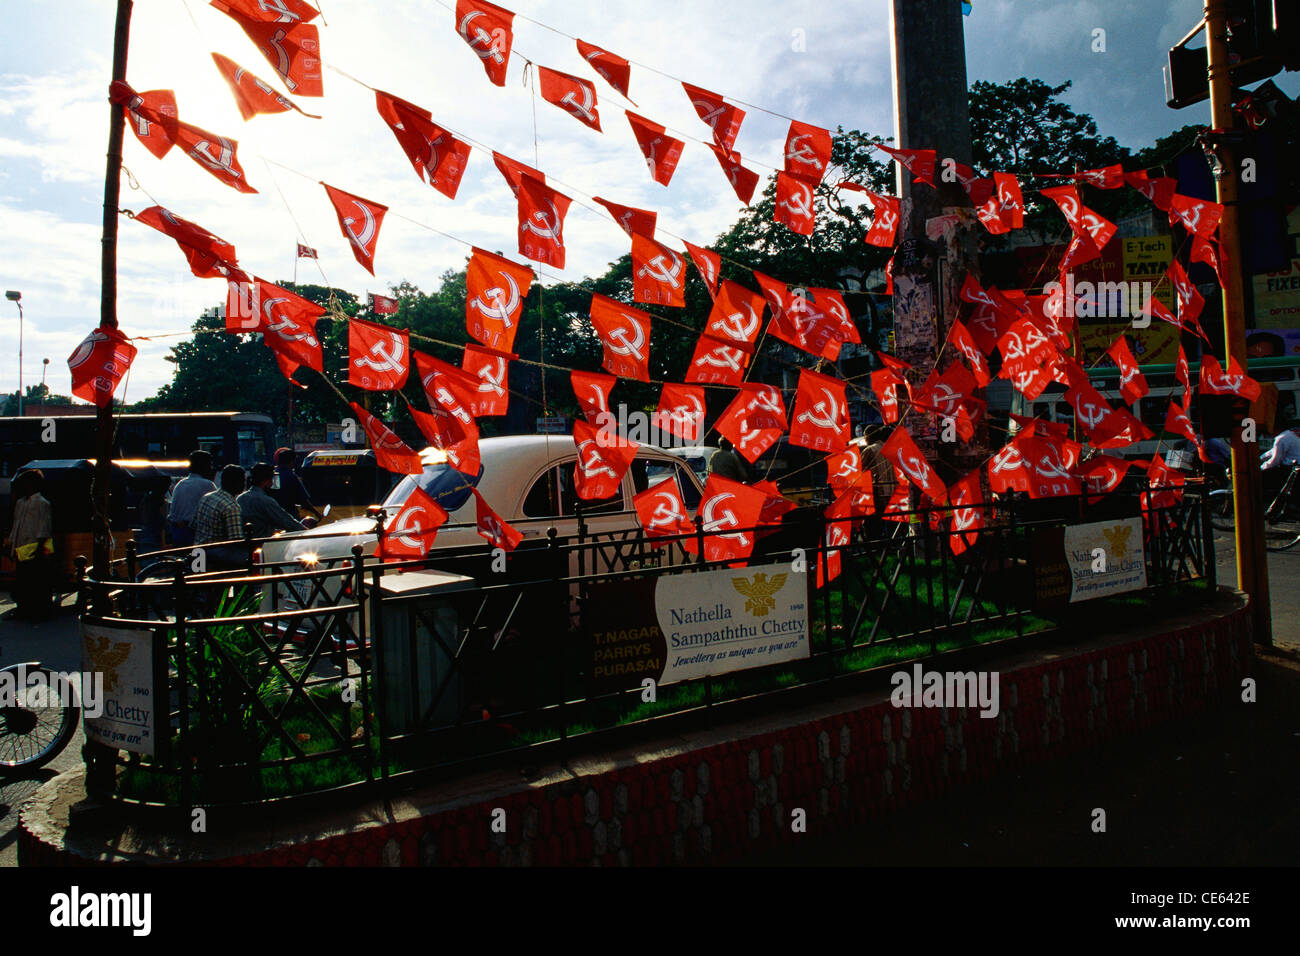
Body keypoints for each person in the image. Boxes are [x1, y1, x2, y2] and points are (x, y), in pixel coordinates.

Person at [6, 470, 54, 620]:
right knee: (22, 579)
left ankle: (36, 610)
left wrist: (40, 547)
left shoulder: (42, 503)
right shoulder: (20, 503)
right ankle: (23, 609)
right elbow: (16, 525)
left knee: (35, 580)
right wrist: (10, 544)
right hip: (21, 546)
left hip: (34, 546)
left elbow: (44, 527)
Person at [193, 465, 248, 569]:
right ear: (236, 482)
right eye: (243, 481)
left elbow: (193, 525)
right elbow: (236, 541)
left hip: (198, 549)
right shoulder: (231, 507)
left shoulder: (207, 497)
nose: (244, 485)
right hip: (216, 553)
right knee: (252, 559)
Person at [237, 462, 305, 539]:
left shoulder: (240, 498)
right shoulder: (265, 501)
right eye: (271, 480)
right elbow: (287, 522)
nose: (272, 483)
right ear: (265, 481)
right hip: (261, 544)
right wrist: (307, 532)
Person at [168, 450, 215, 546]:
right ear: (203, 466)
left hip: (176, 534)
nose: (211, 468)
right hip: (193, 535)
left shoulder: (180, 484)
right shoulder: (207, 485)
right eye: (209, 465)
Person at [271, 448, 323, 522]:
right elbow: (303, 501)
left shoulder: (272, 475)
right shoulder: (291, 476)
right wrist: (317, 513)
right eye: (294, 460)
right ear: (291, 461)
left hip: (272, 516)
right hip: (289, 516)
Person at [1260, 421, 1300, 502]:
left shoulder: (1281, 439)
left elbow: (1275, 461)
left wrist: (1261, 468)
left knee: (1262, 478)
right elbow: (1273, 451)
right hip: (1295, 468)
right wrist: (1260, 458)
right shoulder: (1290, 435)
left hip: (1291, 470)